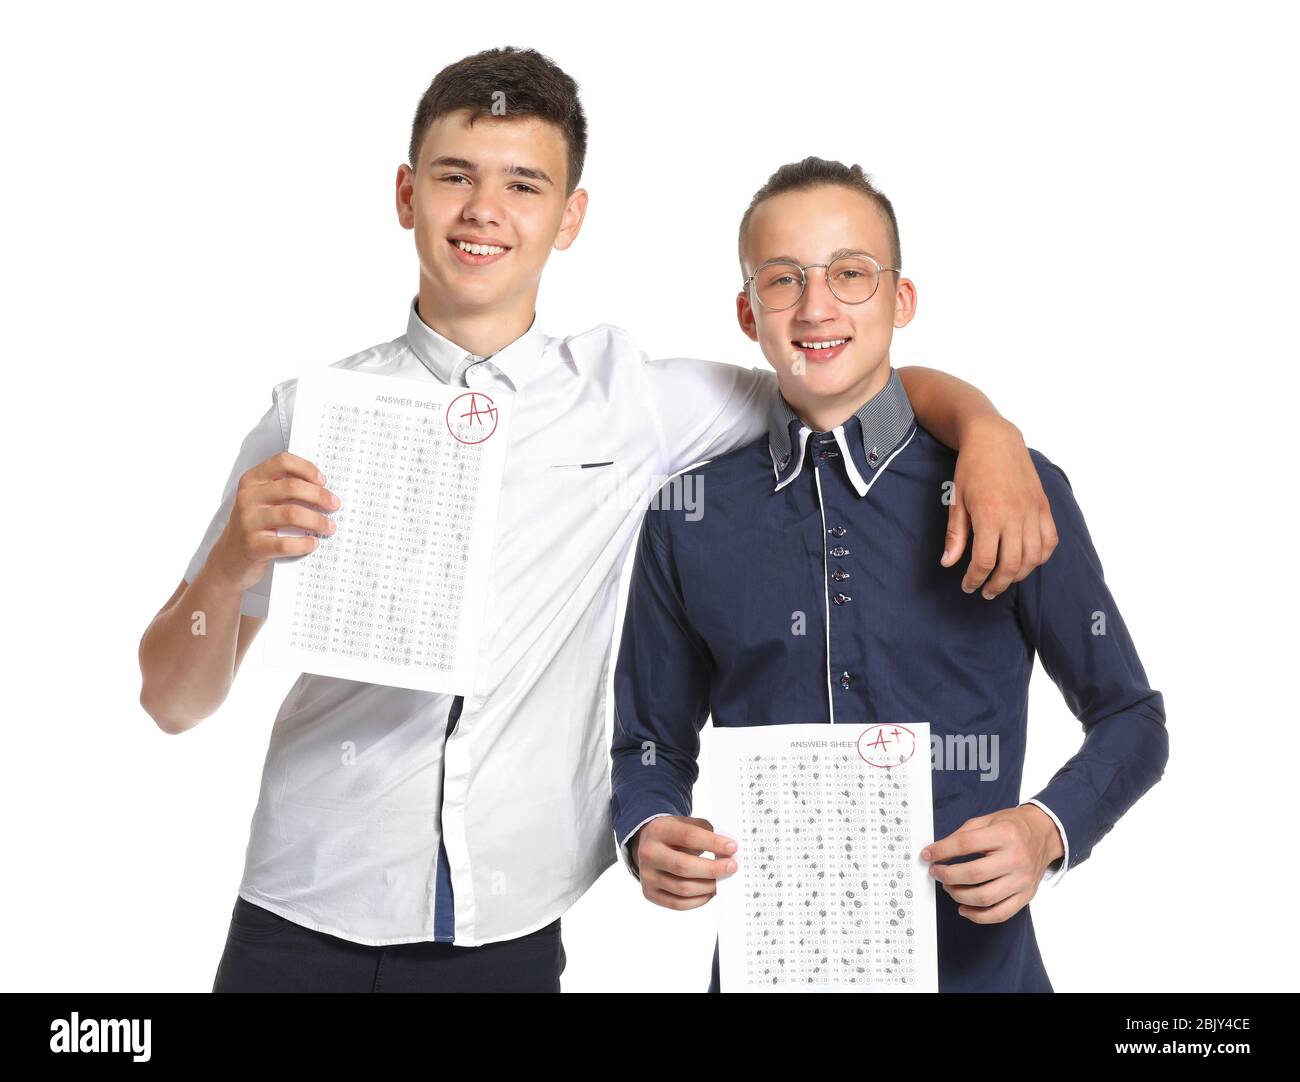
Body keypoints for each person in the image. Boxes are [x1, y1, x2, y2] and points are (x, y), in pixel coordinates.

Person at [138, 49, 1060, 993]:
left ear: (569, 216)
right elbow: (172, 702)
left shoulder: (637, 402)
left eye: (523, 184)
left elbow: (838, 378)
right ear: (408, 195)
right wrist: (223, 569)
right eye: (455, 176)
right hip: (301, 909)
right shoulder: (310, 414)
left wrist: (986, 429)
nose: (483, 210)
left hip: (512, 926)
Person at [610, 157, 1168, 992]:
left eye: (850, 274)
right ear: (747, 311)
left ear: (901, 300)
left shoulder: (1011, 490)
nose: (817, 305)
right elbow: (649, 742)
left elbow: (1131, 716)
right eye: (783, 279)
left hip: (980, 972)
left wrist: (1048, 829)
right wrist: (648, 825)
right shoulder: (686, 516)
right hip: (770, 966)